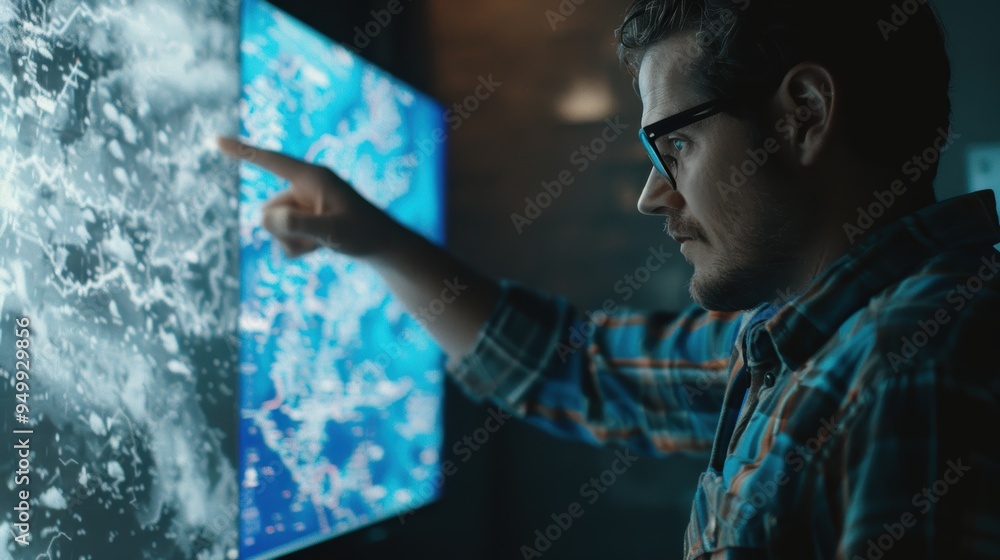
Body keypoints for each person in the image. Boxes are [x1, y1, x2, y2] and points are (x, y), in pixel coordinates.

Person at [219, 0, 1000, 557]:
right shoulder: (800, 338)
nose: (650, 196)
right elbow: (576, 368)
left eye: (675, 146)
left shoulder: (916, 364)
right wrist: (372, 237)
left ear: (803, 114)